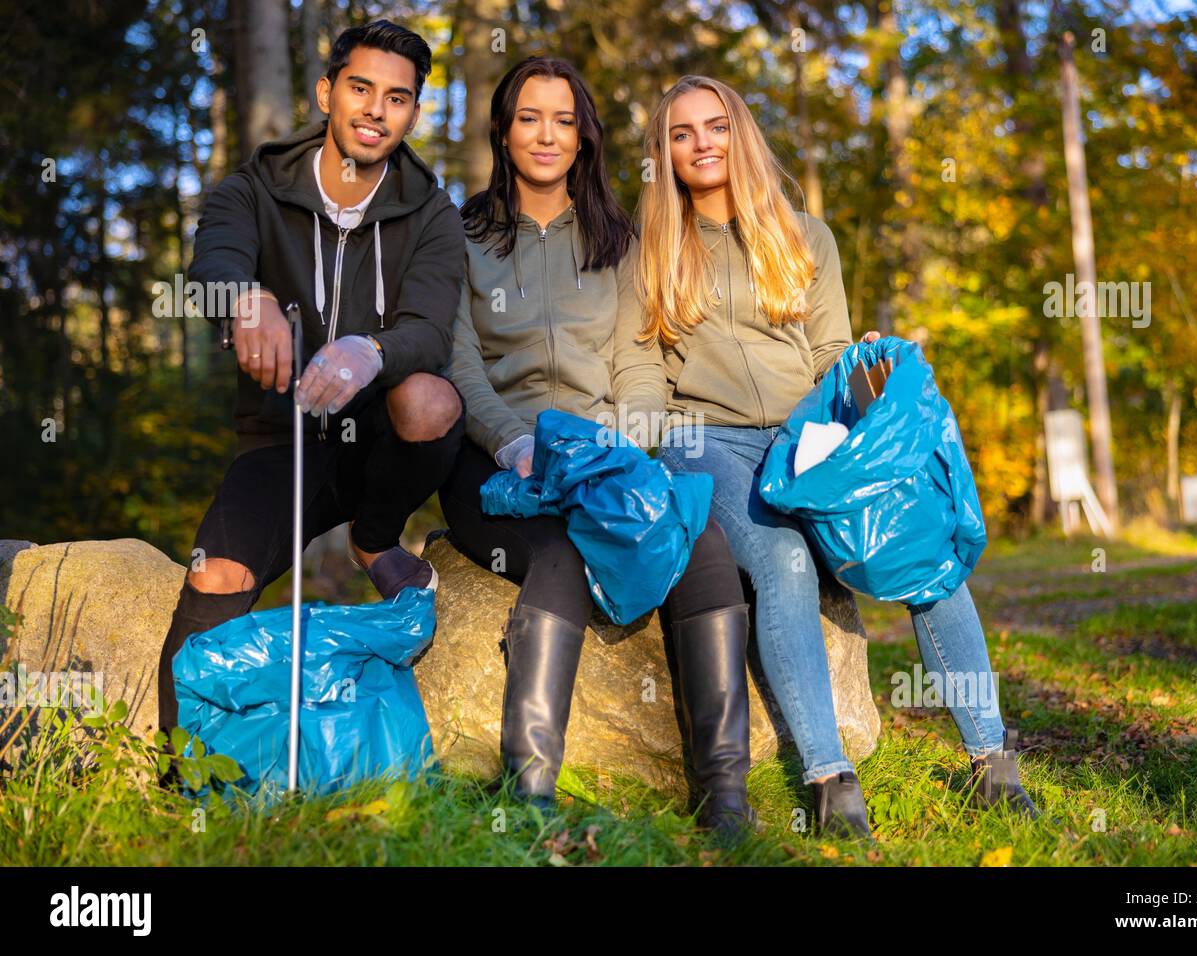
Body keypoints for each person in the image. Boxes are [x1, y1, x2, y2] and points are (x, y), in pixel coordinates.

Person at [632, 75, 1040, 838]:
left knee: (919, 546)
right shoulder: (648, 251)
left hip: (802, 439)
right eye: (681, 133)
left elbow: (828, 358)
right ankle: (830, 781)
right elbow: (644, 379)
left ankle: (992, 762)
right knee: (784, 562)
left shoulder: (805, 235)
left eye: (715, 126)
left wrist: (869, 394)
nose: (701, 144)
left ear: (740, 132)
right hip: (705, 441)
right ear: (664, 152)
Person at [442, 56, 755, 835]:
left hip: (606, 459)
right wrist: (515, 444)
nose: (547, 134)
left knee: (704, 545)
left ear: (584, 136)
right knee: (559, 554)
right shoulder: (458, 236)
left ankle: (726, 800)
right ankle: (531, 798)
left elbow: (640, 367)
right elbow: (460, 368)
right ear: (503, 131)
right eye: (529, 117)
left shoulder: (616, 241)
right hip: (497, 467)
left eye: (563, 119)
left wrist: (618, 443)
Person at [157, 20, 466, 741]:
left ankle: (374, 538)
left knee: (430, 398)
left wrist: (370, 350)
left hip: (379, 440)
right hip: (281, 439)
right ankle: (177, 776)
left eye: (397, 98)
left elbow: (431, 329)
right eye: (361, 88)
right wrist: (246, 299)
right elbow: (212, 269)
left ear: (413, 112)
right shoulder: (254, 188)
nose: (374, 110)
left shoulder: (432, 212)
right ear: (328, 91)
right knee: (216, 577)